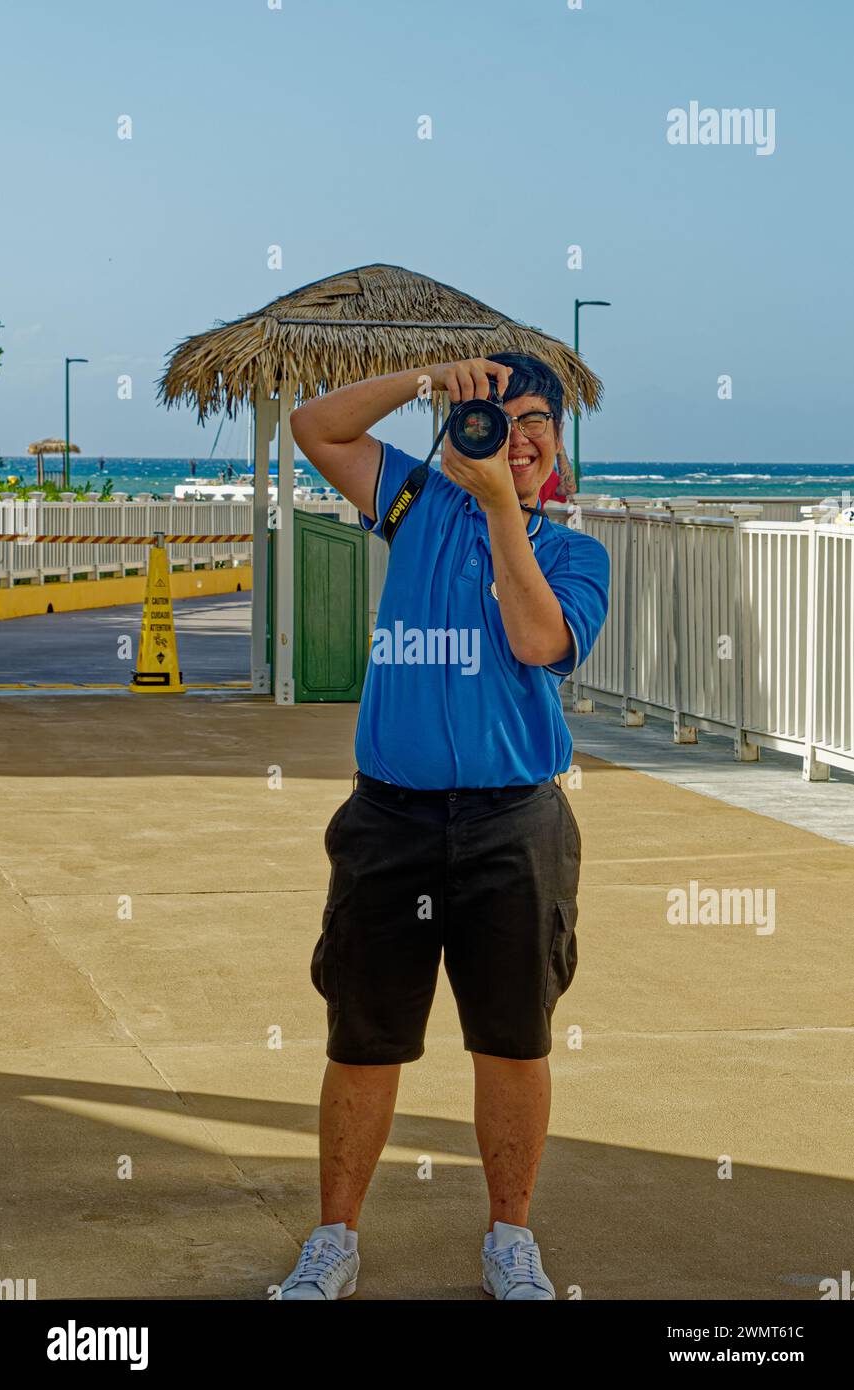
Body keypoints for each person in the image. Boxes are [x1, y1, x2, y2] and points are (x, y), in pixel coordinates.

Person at [281, 352, 609, 1301]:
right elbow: (317, 427)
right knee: (363, 1037)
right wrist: (427, 378)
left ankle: (510, 1237)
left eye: (539, 418)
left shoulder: (572, 551)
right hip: (390, 817)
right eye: (496, 416)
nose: (520, 432)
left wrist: (503, 505)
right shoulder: (412, 503)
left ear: (559, 443)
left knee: (513, 1039)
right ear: (461, 429)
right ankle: (334, 1238)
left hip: (517, 822)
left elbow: (538, 641)